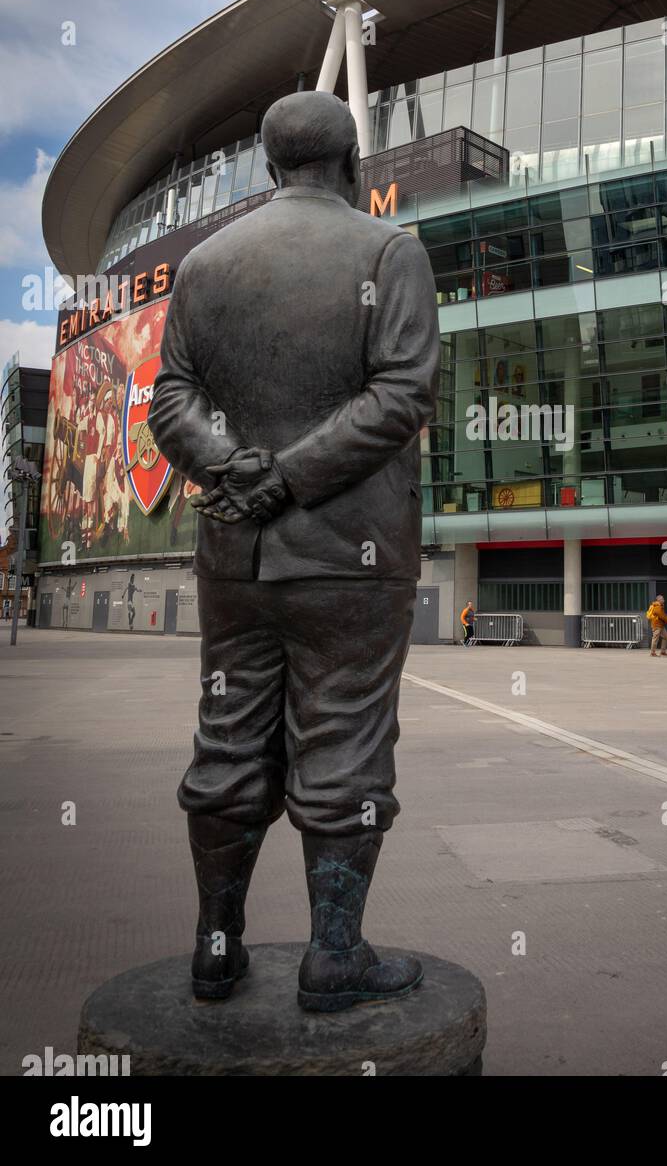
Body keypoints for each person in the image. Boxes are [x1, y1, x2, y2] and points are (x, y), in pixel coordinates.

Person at [150, 91, 439, 1012]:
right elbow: (400, 397)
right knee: (344, 742)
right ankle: (334, 957)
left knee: (228, 740)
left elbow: (169, 399)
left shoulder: (204, 263)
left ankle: (215, 948)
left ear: (268, 168)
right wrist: (293, 477)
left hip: (234, 554)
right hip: (348, 554)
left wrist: (233, 467)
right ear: (353, 165)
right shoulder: (389, 252)